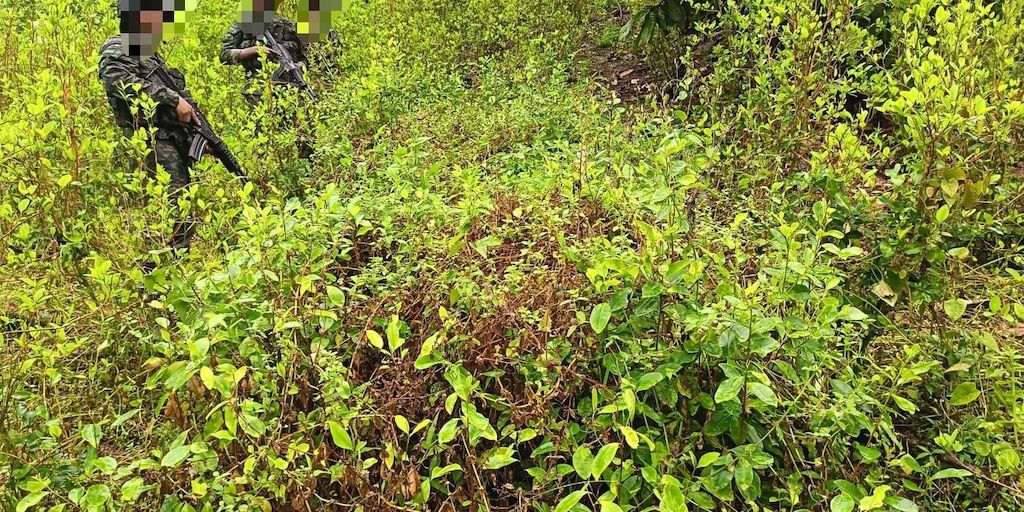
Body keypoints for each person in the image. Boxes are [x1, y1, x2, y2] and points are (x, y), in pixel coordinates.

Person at [98, 0, 199, 249]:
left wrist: (199, 136)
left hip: (170, 141)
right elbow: (117, 81)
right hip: (148, 142)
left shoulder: (151, 56)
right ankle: (155, 278)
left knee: (181, 210)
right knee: (165, 212)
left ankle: (175, 274)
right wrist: (172, 99)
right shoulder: (119, 45)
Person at [220, 0, 313, 159]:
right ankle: (263, 177)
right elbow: (224, 55)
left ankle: (307, 174)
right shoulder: (244, 24)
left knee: (306, 136)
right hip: (259, 90)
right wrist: (256, 50)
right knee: (261, 141)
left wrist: (298, 65)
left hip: (292, 89)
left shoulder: (288, 26)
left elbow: (306, 59)